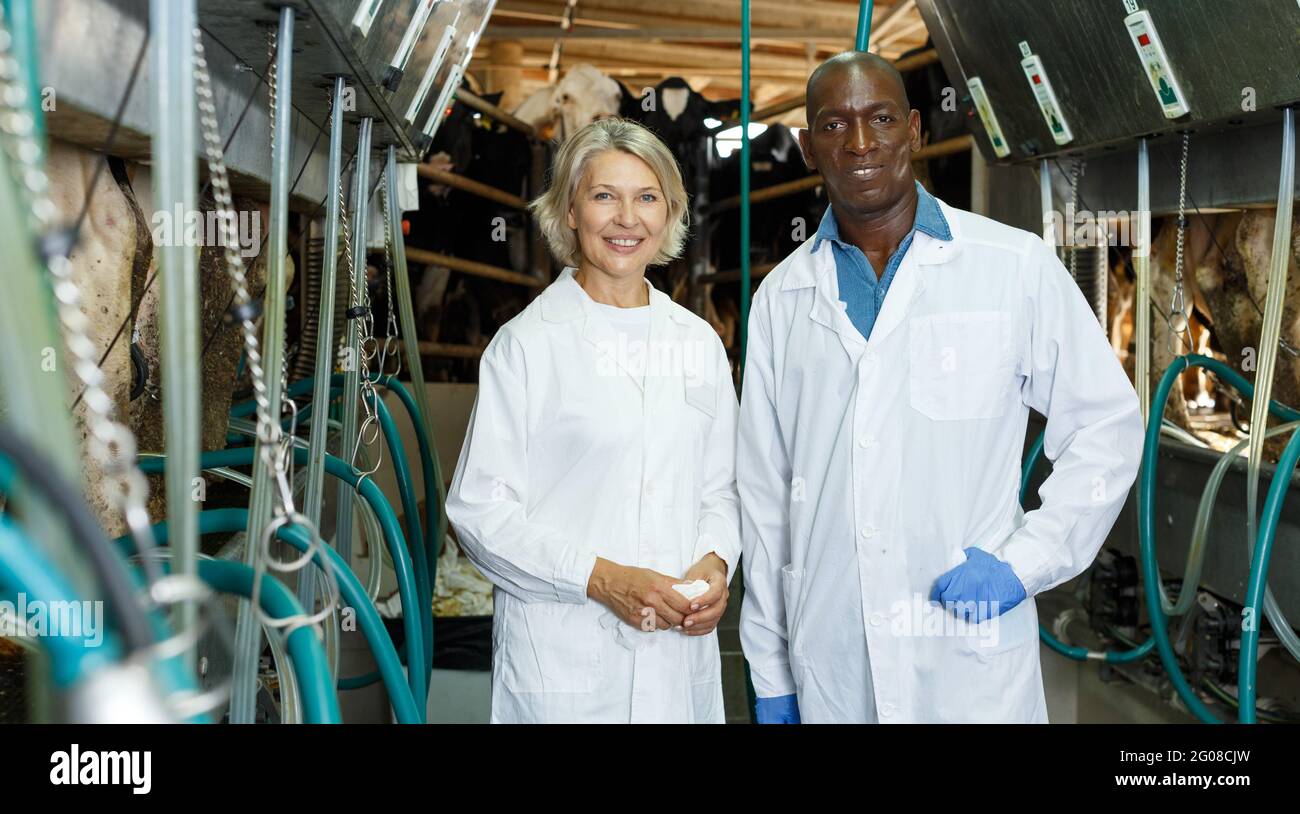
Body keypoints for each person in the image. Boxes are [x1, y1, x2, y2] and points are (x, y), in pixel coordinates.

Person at [737, 51, 1143, 724]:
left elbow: (1105, 424)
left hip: (965, 656)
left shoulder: (1011, 266)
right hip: (832, 655)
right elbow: (763, 495)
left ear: (917, 130)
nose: (860, 142)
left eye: (881, 118)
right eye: (834, 125)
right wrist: (771, 669)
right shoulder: (782, 298)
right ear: (808, 147)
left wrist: (1026, 562)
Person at [446, 117, 740, 724]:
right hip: (566, 661)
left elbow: (722, 488)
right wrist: (603, 579)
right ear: (571, 212)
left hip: (676, 662)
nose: (627, 219)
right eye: (605, 196)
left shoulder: (699, 343)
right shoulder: (526, 346)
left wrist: (715, 564)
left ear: (670, 214)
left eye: (647, 197)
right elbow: (478, 512)